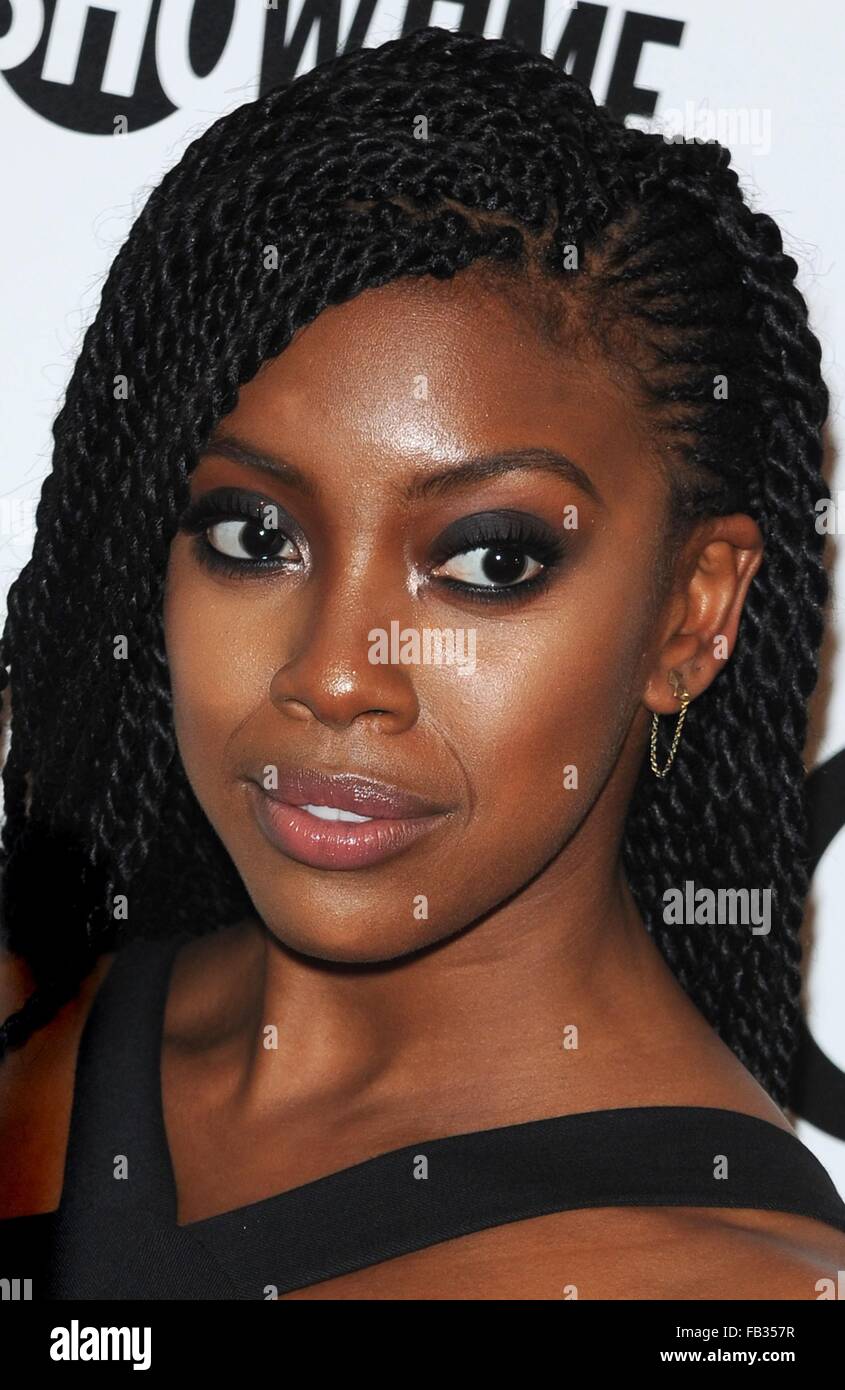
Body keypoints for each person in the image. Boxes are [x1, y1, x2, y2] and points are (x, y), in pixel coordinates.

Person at [1, 25, 844, 1301]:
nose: (337, 674)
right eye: (253, 533)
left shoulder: (736, 1301)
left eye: (488, 561)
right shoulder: (44, 1015)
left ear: (690, 613)